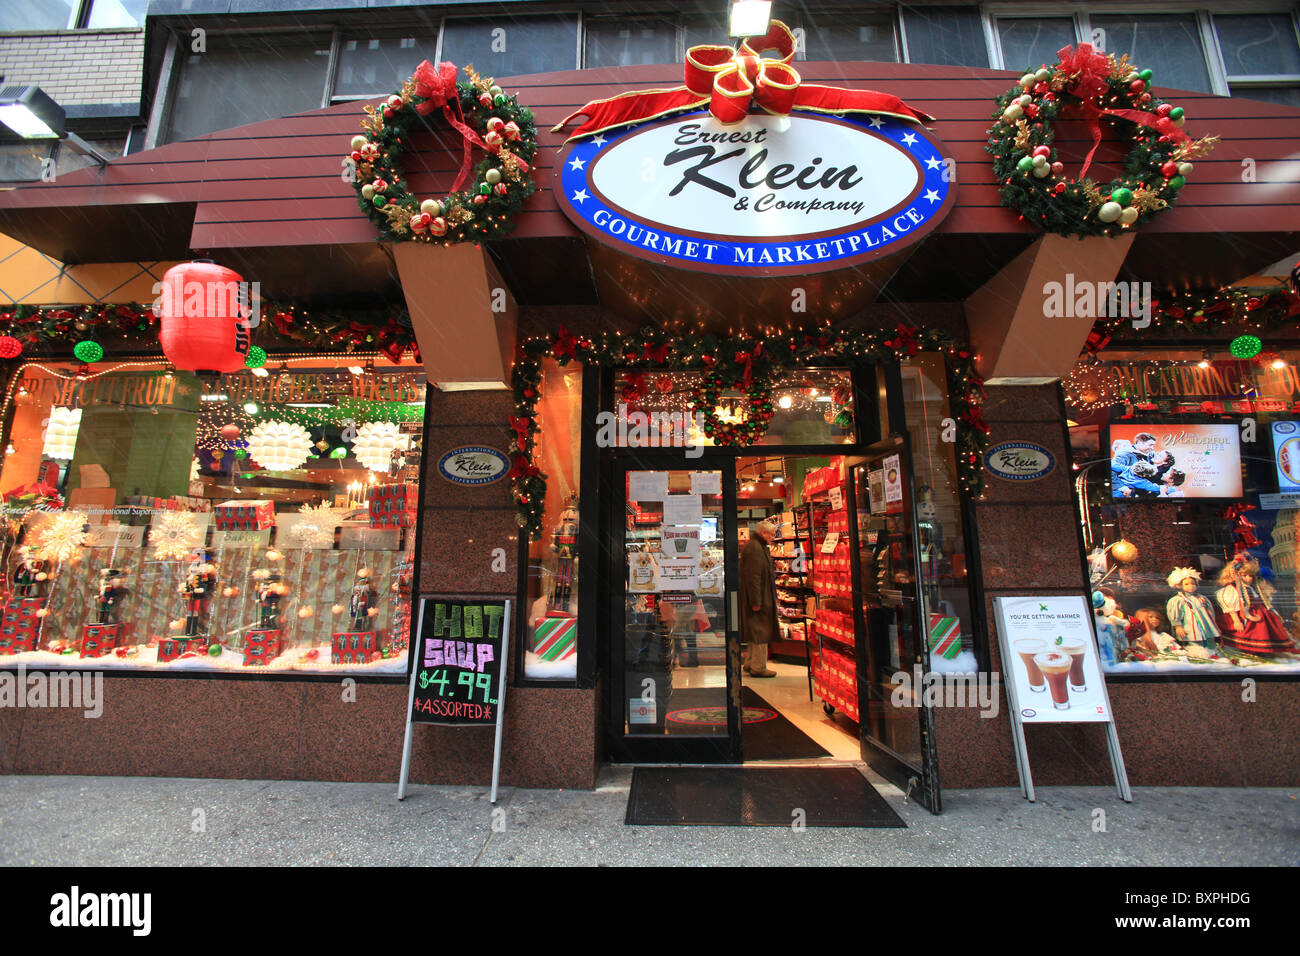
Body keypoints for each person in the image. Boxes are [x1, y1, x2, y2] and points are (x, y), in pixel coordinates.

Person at [740, 517, 779, 677]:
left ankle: (750, 662)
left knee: (754, 631)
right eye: (771, 535)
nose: (772, 538)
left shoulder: (755, 546)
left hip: (757, 597)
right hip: (759, 598)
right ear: (764, 533)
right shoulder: (756, 548)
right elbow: (754, 577)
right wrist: (756, 601)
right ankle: (759, 666)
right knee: (761, 632)